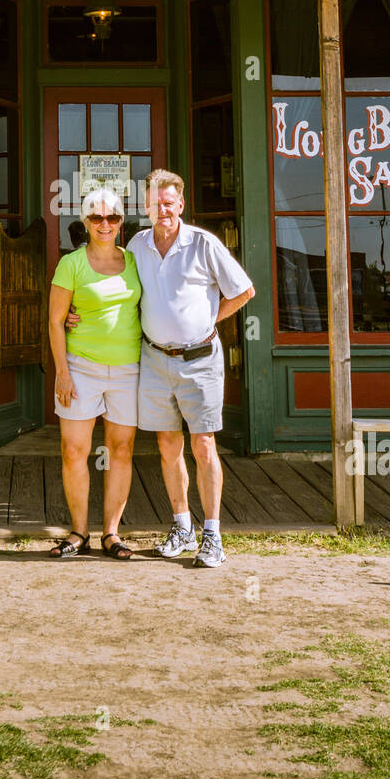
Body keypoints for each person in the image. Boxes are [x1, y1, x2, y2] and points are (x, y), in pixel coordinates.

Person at [126, 169, 255, 569]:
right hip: (154, 358)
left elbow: (244, 290)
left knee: (203, 445)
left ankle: (213, 534)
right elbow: (121, 291)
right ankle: (183, 526)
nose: (162, 210)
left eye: (169, 203)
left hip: (199, 361)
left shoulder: (203, 243)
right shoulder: (136, 244)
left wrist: (208, 322)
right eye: (155, 203)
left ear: (181, 205)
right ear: (146, 206)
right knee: (167, 445)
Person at [47, 186, 142, 560]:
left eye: (113, 217)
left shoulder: (135, 261)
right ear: (85, 222)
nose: (105, 224)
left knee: (121, 450)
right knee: (74, 450)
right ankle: (79, 532)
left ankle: (112, 534)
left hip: (127, 369)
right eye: (97, 217)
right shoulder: (71, 264)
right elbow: (56, 322)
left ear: (121, 222)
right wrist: (63, 373)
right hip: (81, 367)